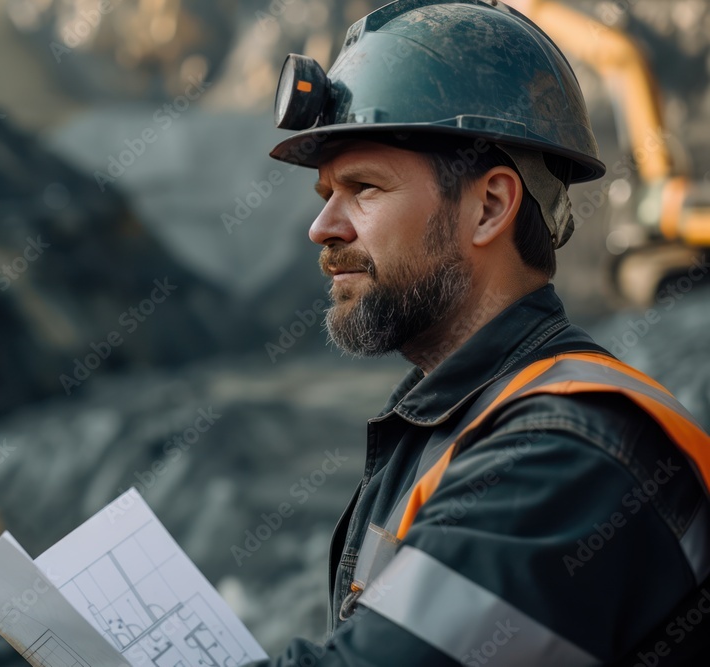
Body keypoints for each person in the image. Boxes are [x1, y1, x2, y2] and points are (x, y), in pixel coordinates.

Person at [254, 1, 710, 665]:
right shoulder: (455, 424)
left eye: (363, 188)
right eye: (325, 192)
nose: (323, 227)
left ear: (490, 206)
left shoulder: (563, 453)